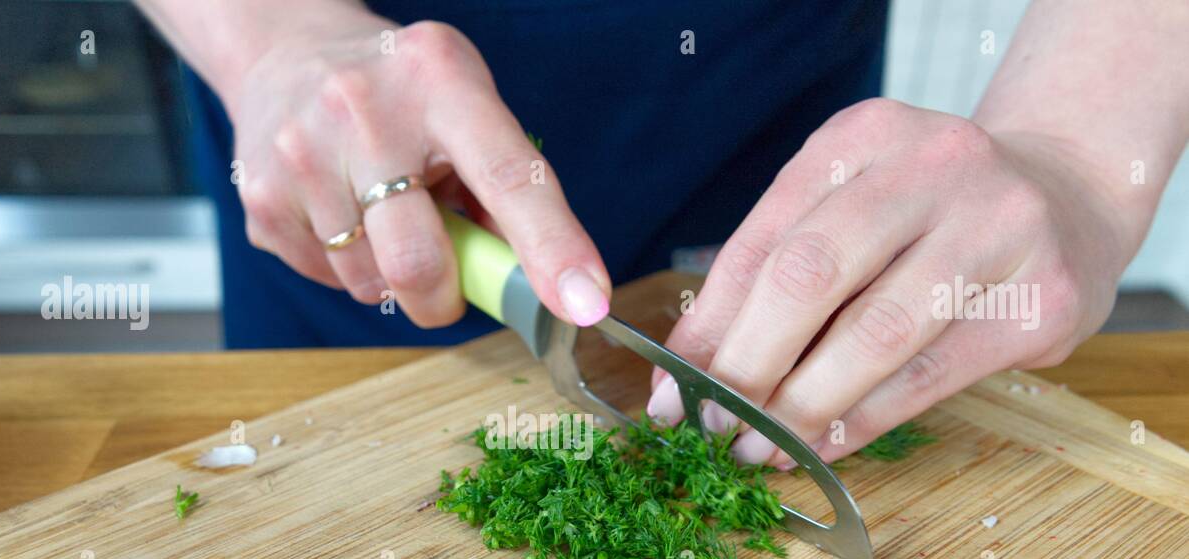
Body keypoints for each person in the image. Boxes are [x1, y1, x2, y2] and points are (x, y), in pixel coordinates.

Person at [137, 0, 1189, 466]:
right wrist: (268, 35)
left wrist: (1078, 154)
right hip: (362, 150)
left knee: (803, 350)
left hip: (755, 83)